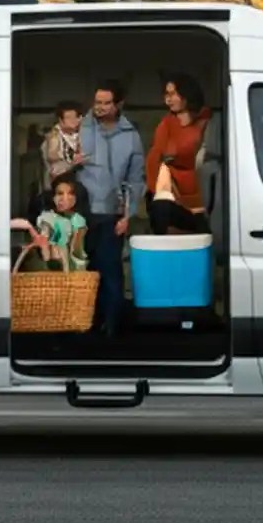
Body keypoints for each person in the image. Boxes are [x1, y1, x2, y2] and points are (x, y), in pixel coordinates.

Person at [78, 79, 144, 335]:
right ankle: (83, 326)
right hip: (80, 215)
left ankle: (112, 331)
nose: (101, 108)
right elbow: (55, 163)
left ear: (119, 105)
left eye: (107, 103)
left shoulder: (131, 136)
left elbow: (136, 180)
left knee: (110, 272)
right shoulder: (79, 129)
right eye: (97, 102)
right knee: (83, 273)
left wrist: (128, 215)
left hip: (112, 215)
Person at [145, 73, 212, 235]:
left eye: (173, 94)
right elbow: (156, 157)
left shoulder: (207, 121)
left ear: (187, 94)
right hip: (172, 195)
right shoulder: (166, 124)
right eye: (166, 94)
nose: (169, 99)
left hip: (204, 197)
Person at [19, 173, 89, 271]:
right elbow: (43, 239)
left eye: (70, 194)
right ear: (53, 197)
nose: (64, 199)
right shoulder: (48, 217)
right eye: (60, 193)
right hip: (49, 265)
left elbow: (77, 251)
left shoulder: (78, 220)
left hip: (73, 269)